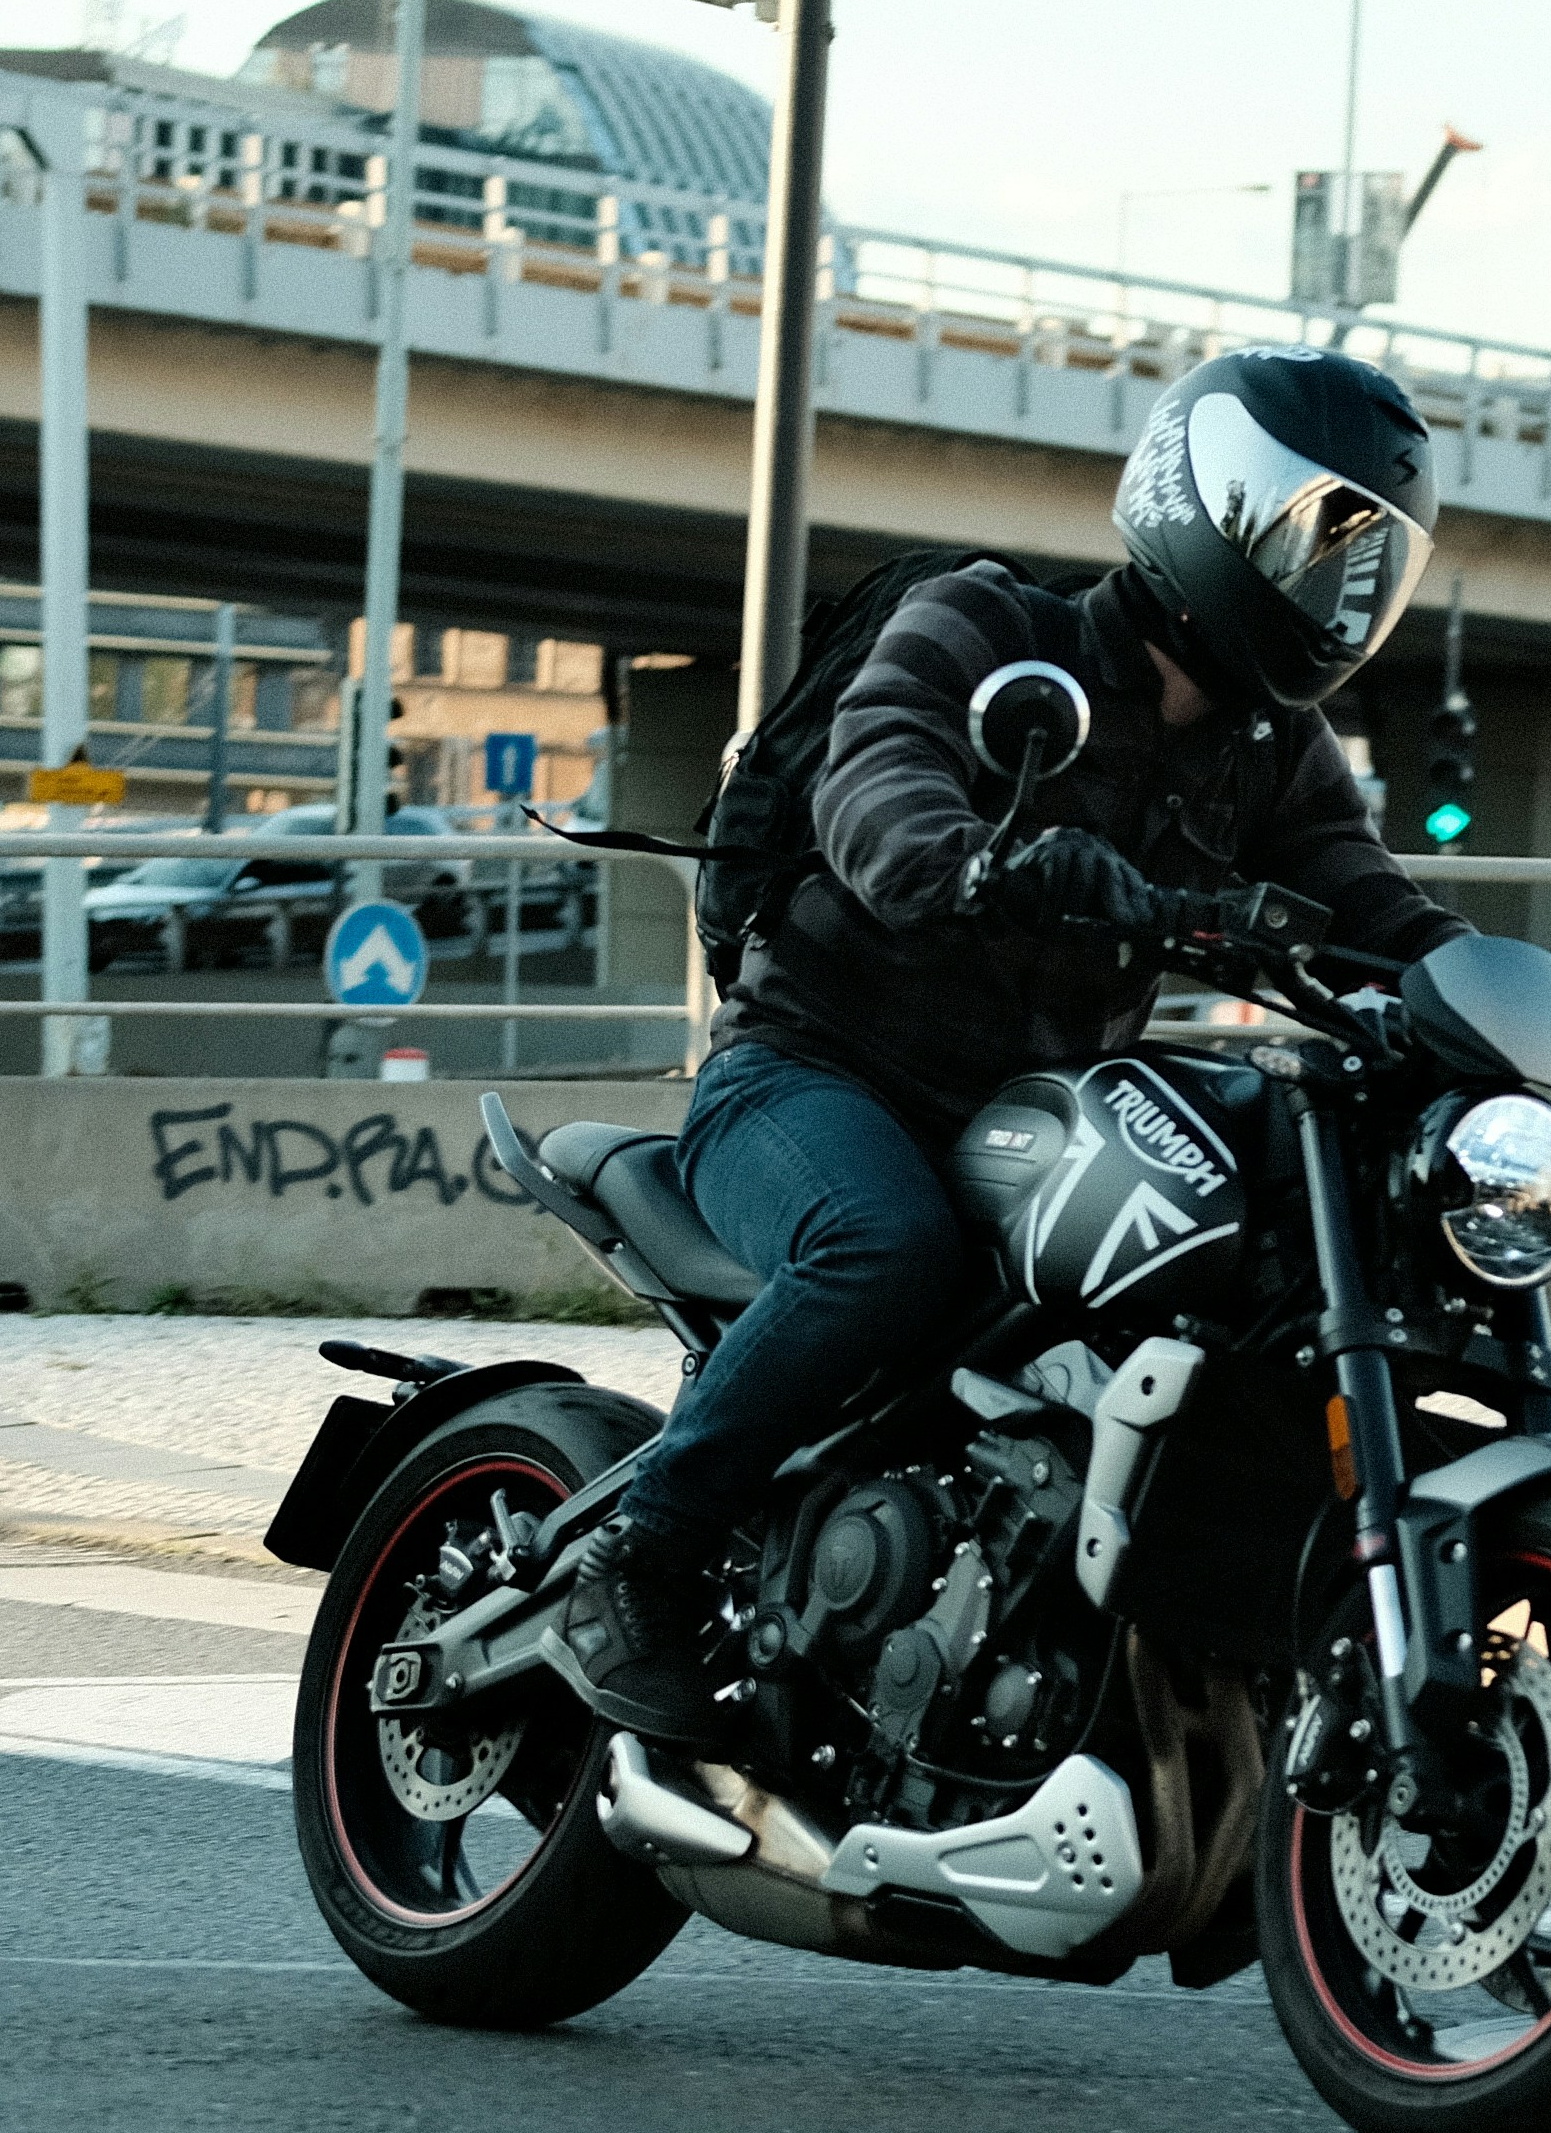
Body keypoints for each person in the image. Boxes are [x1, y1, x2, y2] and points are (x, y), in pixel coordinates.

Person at [556, 346, 1464, 1735]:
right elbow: (881, 770)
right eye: (1312, 537)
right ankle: (639, 1557)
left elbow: (1364, 898)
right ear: (1207, 500)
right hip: (810, 1075)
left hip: (1030, 1120)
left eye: (1364, 556)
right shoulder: (987, 624)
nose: (1335, 585)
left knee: (1224, 1278)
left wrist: (1511, 988)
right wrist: (972, 859)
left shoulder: (1275, 749)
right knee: (881, 1247)